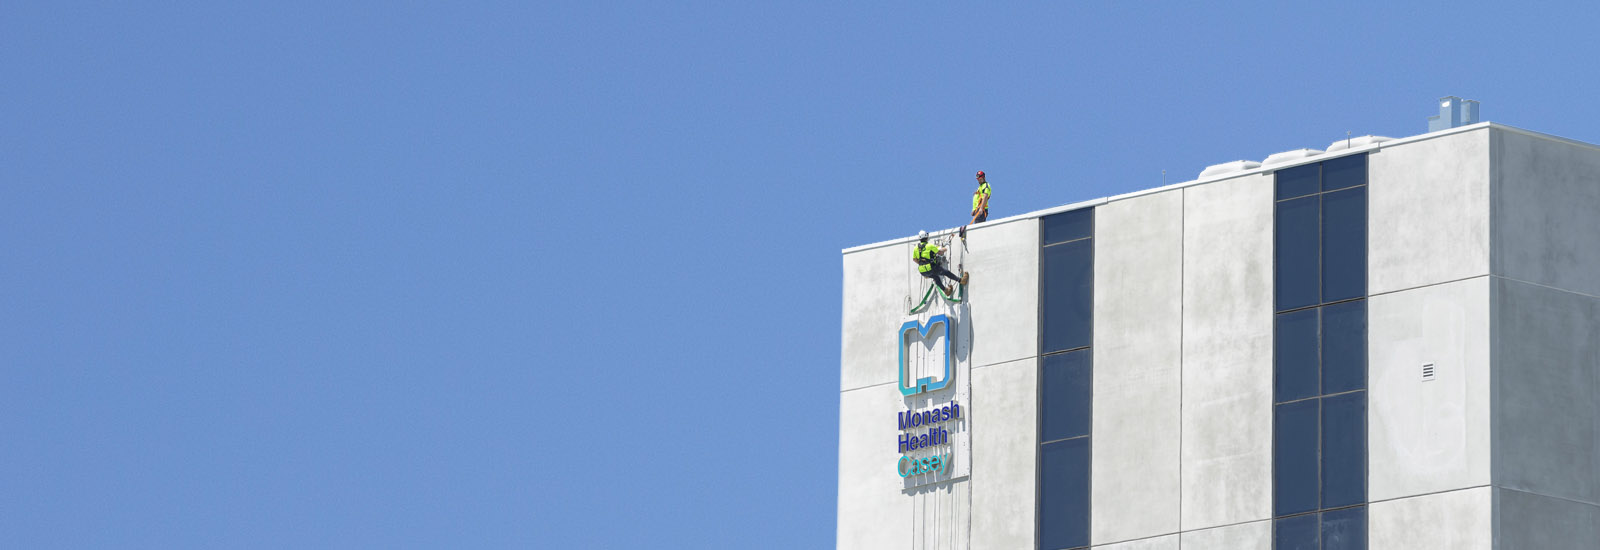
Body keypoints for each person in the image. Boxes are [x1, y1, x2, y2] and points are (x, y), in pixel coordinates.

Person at [913, 230, 968, 295]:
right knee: (945, 272)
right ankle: (961, 280)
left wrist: (922, 264)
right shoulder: (929, 246)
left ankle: (946, 290)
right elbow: (940, 252)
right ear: (927, 237)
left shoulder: (916, 248)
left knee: (936, 277)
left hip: (922, 272)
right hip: (931, 268)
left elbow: (914, 259)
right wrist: (945, 249)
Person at [961, 171, 991, 241]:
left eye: (980, 179)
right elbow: (977, 199)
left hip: (981, 210)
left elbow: (985, 197)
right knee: (977, 225)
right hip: (978, 210)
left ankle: (979, 240)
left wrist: (981, 208)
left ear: (983, 178)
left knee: (978, 227)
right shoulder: (980, 187)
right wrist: (974, 210)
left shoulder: (985, 186)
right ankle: (978, 238)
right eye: (978, 180)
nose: (979, 181)